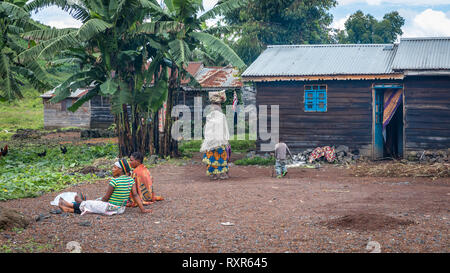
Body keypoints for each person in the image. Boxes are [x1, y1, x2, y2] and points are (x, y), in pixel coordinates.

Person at [77, 159, 151, 215]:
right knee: (95, 202)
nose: (112, 169)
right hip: (121, 209)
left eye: (114, 167)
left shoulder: (114, 181)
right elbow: (135, 195)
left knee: (90, 204)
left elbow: (106, 198)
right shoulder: (131, 180)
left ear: (120, 170)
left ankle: (76, 204)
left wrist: (98, 203)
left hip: (111, 208)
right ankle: (77, 205)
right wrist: (142, 210)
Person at [200, 90, 230, 180]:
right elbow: (225, 129)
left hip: (211, 140)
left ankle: (213, 174)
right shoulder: (221, 116)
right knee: (220, 157)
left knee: (212, 157)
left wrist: (207, 139)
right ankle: (221, 174)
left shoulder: (210, 116)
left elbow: (207, 129)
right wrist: (226, 139)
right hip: (219, 140)